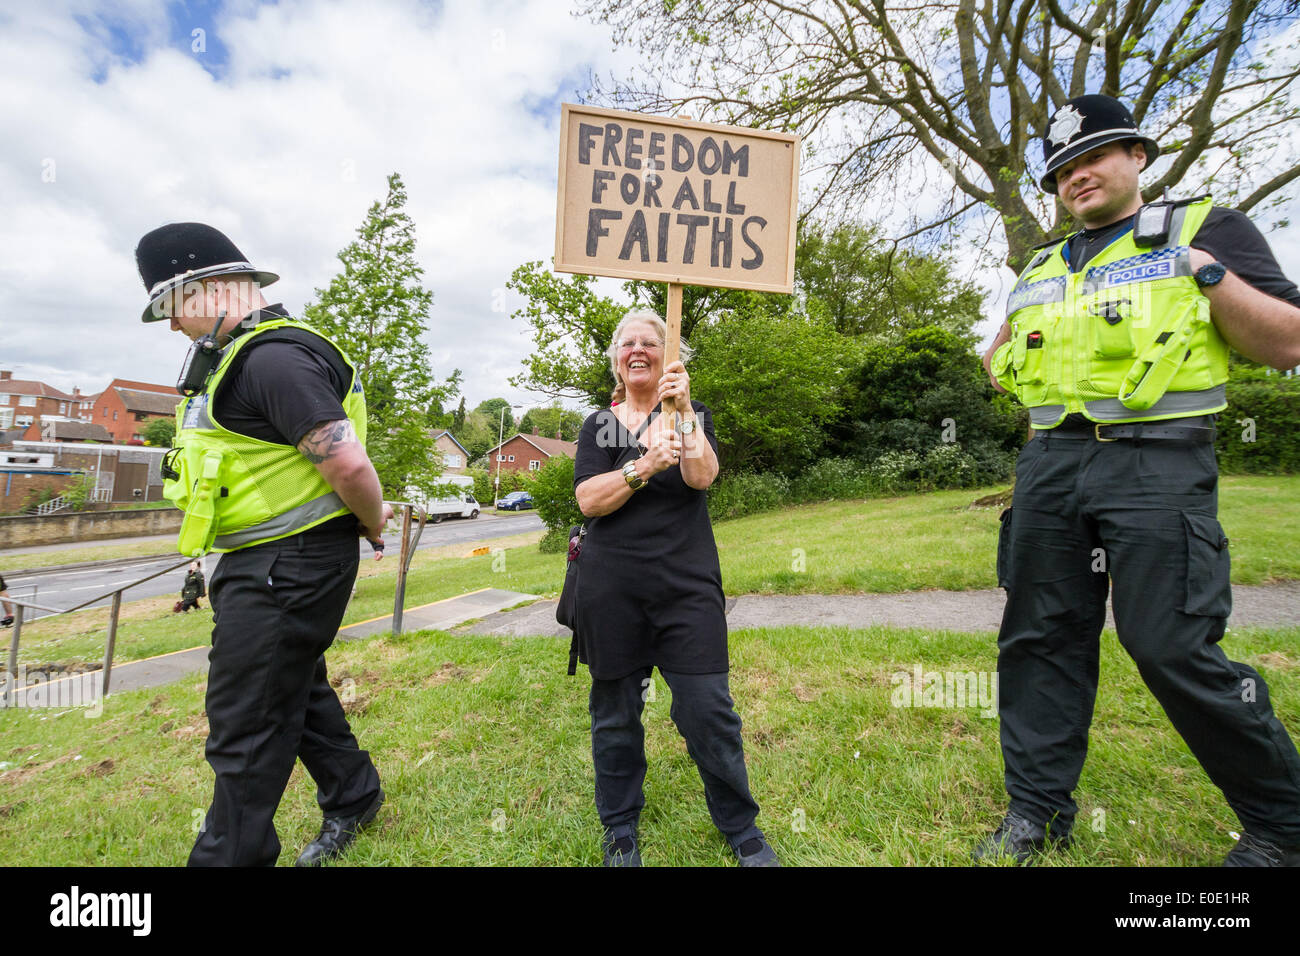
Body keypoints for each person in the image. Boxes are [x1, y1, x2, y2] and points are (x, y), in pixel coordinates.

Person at [979, 95, 1300, 866]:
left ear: (1137, 156)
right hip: (1052, 463)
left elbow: (1287, 343)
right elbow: (997, 363)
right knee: (1039, 638)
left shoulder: (1203, 230)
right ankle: (1036, 814)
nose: (1076, 176)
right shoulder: (1044, 262)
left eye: (1092, 156)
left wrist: (1205, 275)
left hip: (1156, 460)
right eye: (1061, 170)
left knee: (1169, 644)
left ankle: (1283, 826)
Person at [135, 222, 393, 867]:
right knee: (292, 685)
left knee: (246, 719)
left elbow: (349, 465)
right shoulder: (243, 358)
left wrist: (374, 520)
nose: (171, 327)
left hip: (291, 563)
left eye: (169, 309)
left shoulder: (273, 358)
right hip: (274, 560)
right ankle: (354, 793)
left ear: (204, 289)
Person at [570, 308, 778, 867]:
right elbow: (588, 500)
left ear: (669, 356)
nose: (638, 350)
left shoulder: (689, 413)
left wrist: (682, 413)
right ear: (616, 360)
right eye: (627, 344)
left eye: (650, 343)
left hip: (686, 588)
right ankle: (620, 828)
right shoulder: (599, 425)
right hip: (612, 590)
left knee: (708, 709)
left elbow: (701, 477)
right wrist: (641, 467)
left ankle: (740, 826)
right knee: (615, 712)